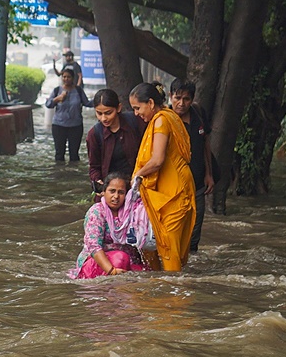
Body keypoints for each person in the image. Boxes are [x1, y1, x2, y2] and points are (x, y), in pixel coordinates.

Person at [129, 81, 196, 272]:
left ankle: (174, 296)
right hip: (172, 185)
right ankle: (161, 288)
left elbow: (157, 160)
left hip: (174, 190)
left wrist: (138, 175)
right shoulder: (171, 117)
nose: (136, 113)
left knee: (169, 247)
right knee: (156, 243)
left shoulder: (161, 120)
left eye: (137, 108)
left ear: (150, 103)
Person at [169, 79, 220, 252]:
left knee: (195, 232)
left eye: (186, 99)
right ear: (170, 96)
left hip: (198, 182)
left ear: (192, 100)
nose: (181, 103)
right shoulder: (165, 120)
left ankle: (192, 272)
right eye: (177, 98)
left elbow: (205, 143)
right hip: (175, 187)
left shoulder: (198, 113)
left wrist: (209, 173)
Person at [68, 173, 151, 279]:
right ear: (104, 192)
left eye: (121, 192)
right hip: (101, 263)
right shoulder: (97, 212)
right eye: (112, 191)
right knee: (120, 258)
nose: (116, 196)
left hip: (128, 261)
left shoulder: (133, 212)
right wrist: (111, 271)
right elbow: (94, 246)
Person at [86, 88, 145, 199]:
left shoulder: (135, 121)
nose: (103, 118)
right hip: (112, 192)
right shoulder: (94, 134)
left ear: (118, 108)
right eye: (99, 113)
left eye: (108, 113)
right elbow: (94, 167)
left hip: (137, 186)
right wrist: (98, 182)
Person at [45, 68, 92, 162]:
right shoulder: (57, 90)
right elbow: (48, 104)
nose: (66, 79)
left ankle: (73, 173)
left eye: (68, 77)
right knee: (59, 153)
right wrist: (57, 99)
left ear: (73, 78)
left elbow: (87, 103)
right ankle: (59, 173)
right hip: (59, 125)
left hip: (75, 126)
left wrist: (99, 100)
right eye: (64, 77)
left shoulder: (78, 91)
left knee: (74, 154)